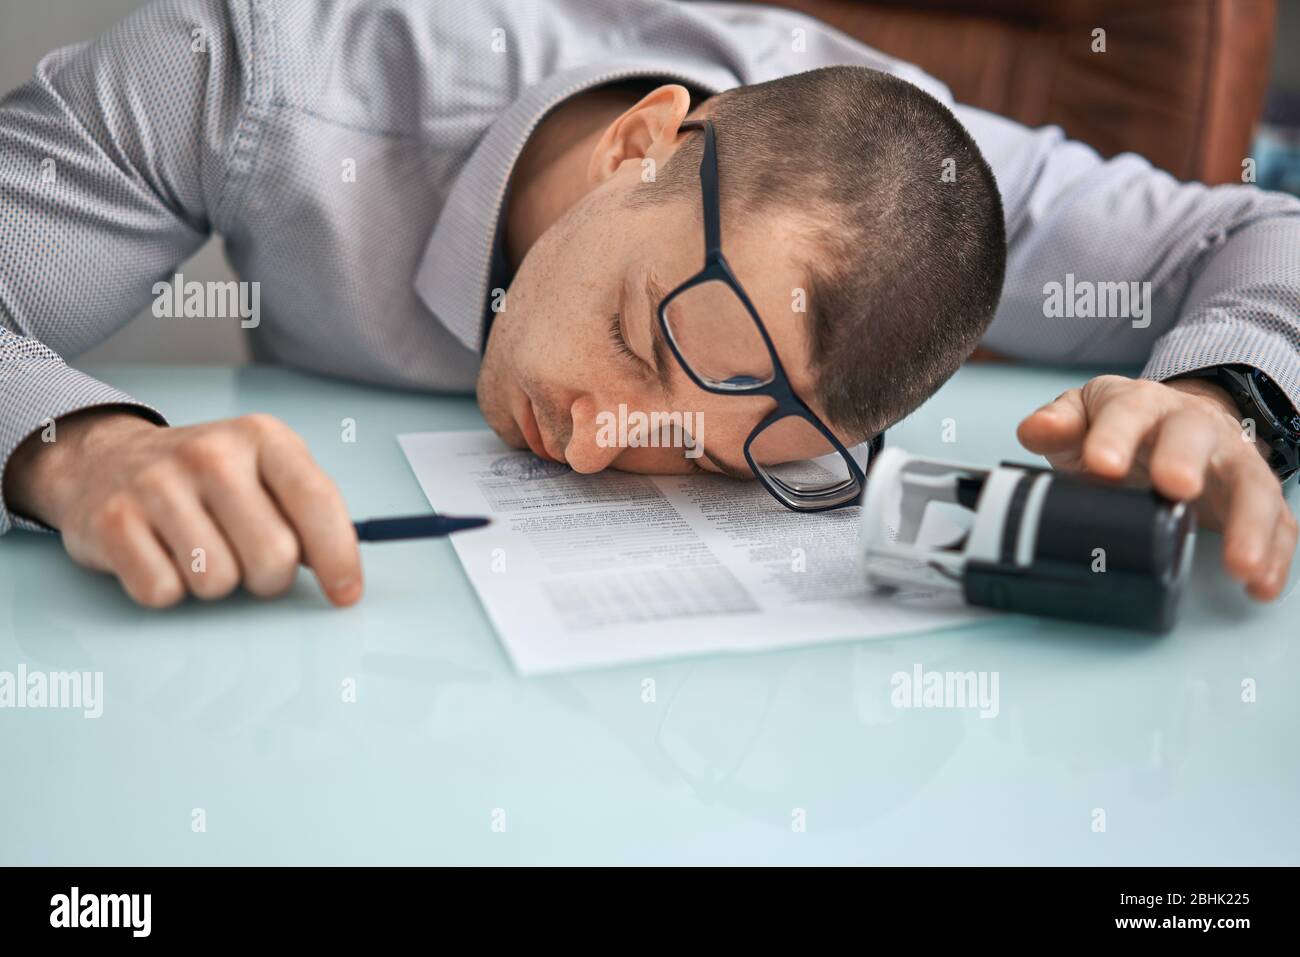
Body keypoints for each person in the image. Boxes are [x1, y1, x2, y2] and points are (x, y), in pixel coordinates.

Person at [1, 0, 1295, 609]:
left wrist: (1219, 398)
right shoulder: (257, 72)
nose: (591, 446)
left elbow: (1254, 229)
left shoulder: (919, 177)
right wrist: (82, 445)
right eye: (639, 335)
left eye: (716, 447)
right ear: (638, 143)